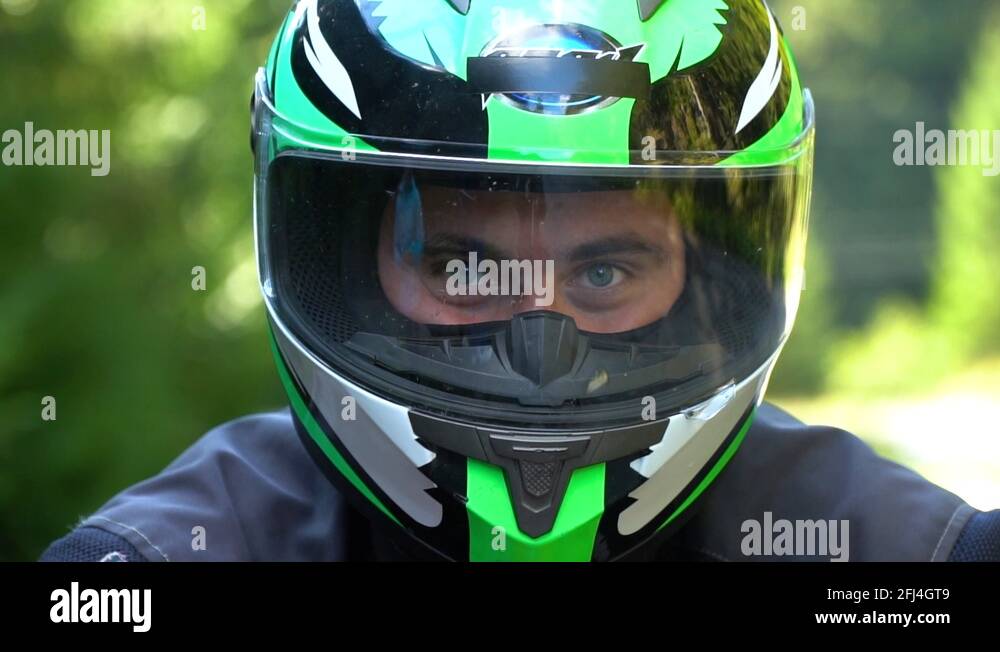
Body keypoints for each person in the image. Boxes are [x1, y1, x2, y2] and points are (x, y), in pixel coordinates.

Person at [42, 0, 998, 562]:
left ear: (711, 281)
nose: (539, 339)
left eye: (606, 268)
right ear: (345, 263)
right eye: (463, 264)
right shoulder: (161, 564)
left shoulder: (892, 558)